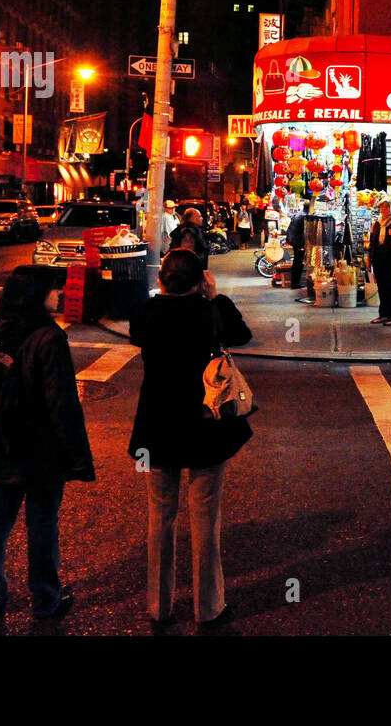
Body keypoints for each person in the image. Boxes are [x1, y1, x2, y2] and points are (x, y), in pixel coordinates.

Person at [128, 250, 253, 628]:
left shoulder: (146, 314)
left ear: (163, 281)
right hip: (204, 424)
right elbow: (242, 335)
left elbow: (138, 334)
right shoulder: (210, 311)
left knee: (160, 516)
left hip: (158, 426)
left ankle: (159, 606)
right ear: (201, 281)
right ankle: (208, 606)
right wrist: (214, 296)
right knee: (206, 518)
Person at [0, 265, 95, 622]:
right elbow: (62, 404)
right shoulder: (48, 337)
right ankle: (46, 601)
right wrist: (77, 456)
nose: (59, 296)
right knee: (41, 524)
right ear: (37, 295)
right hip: (41, 448)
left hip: (1, 441)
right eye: (54, 290)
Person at [286, 202, 310, 296]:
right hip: (298, 242)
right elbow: (304, 231)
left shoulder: (300, 214)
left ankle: (295, 282)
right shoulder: (304, 216)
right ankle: (295, 283)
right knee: (298, 262)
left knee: (297, 262)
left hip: (295, 241)